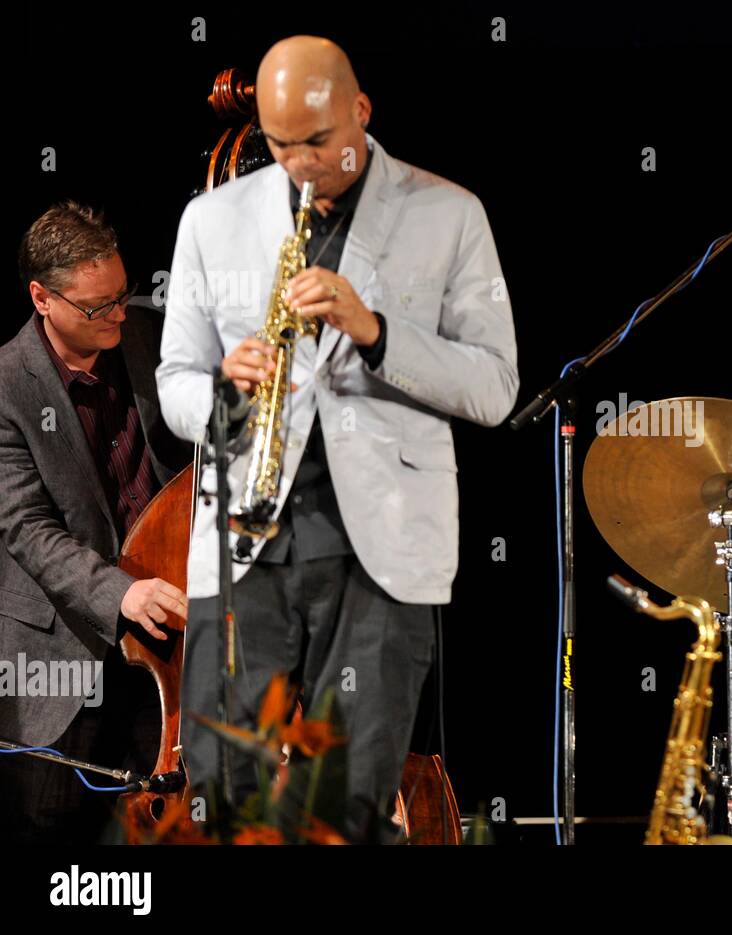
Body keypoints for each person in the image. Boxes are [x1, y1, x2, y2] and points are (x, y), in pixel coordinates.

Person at [157, 36, 518, 841]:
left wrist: (378, 332)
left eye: (318, 142)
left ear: (360, 111)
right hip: (243, 550)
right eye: (281, 145)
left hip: (382, 561)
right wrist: (223, 394)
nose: (300, 164)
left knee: (344, 811)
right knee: (223, 800)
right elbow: (175, 382)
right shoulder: (211, 220)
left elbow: (495, 386)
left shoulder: (449, 214)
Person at [0, 202, 192, 842]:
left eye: (122, 295)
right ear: (42, 298)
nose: (116, 314)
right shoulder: (6, 387)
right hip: (61, 648)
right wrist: (120, 591)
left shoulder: (145, 332)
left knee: (167, 826)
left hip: (168, 634)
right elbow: (28, 528)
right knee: (56, 832)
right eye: (96, 307)